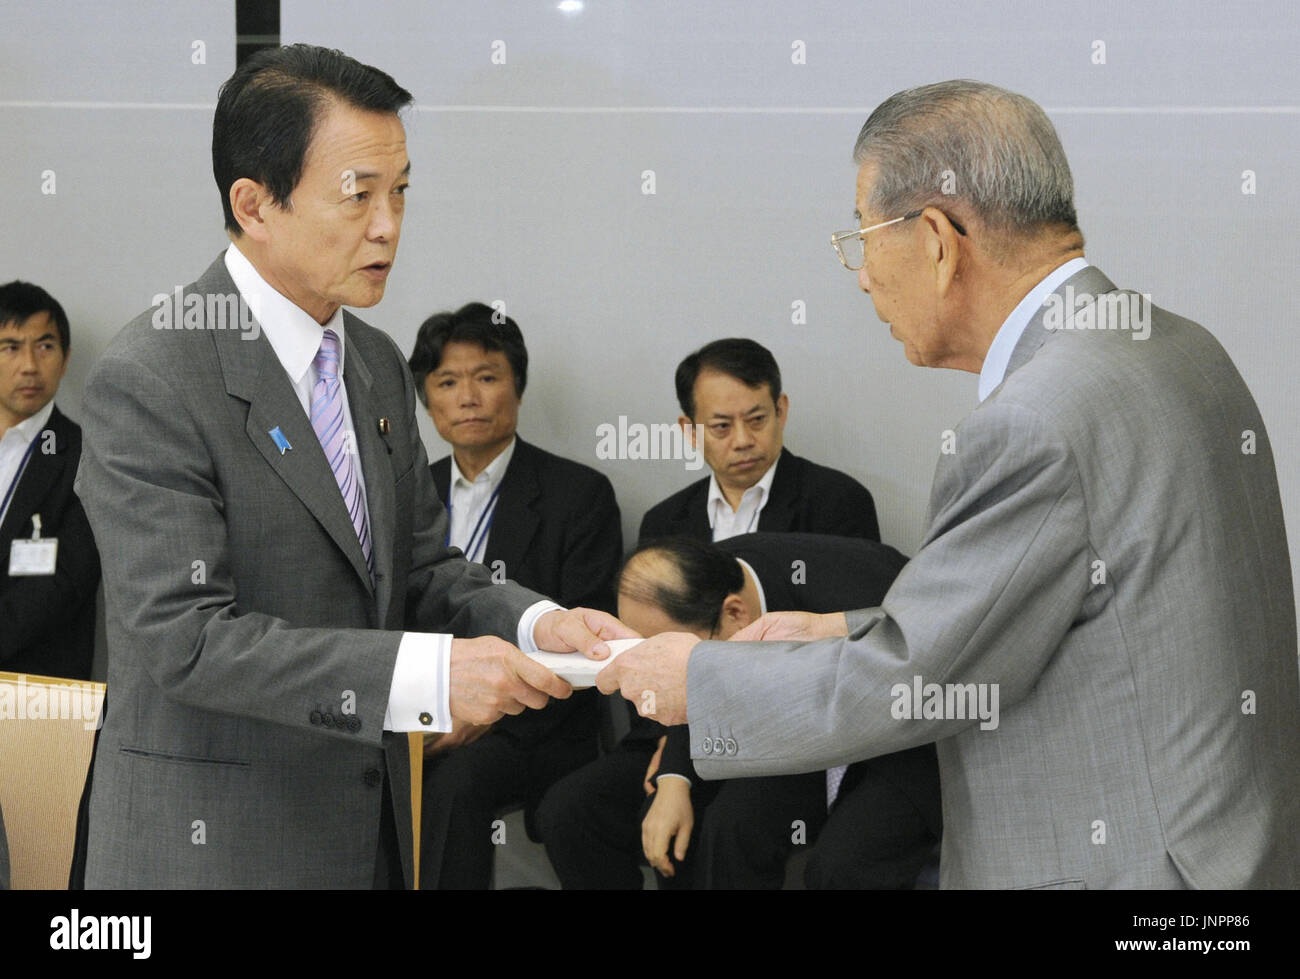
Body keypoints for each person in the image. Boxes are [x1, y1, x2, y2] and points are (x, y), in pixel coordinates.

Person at [599, 79, 1300, 889]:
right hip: (1222, 856)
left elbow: (917, 679)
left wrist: (698, 679)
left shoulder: (1033, 417)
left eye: (860, 240)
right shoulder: (1180, 347)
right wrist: (843, 631)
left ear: (935, 237)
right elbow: (1053, 613)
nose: (861, 278)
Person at [74, 44, 629, 889]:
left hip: (366, 834)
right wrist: (428, 673)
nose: (388, 225)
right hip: (215, 847)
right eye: (357, 193)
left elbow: (416, 562)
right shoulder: (154, 375)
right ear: (254, 204)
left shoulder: (369, 360)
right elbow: (183, 639)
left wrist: (534, 623)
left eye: (400, 190)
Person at [539, 532, 939, 889]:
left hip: (903, 737)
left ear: (735, 613)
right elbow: (688, 673)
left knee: (814, 856)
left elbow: (691, 670)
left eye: (661, 650)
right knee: (612, 811)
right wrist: (674, 780)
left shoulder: (865, 582)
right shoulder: (705, 573)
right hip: (768, 728)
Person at [407, 302, 623, 888]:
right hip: (421, 708)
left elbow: (584, 636)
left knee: (454, 787)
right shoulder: (409, 495)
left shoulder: (579, 494)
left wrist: (482, 710)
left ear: (517, 387)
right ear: (427, 401)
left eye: (486, 377)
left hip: (538, 720)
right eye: (447, 382)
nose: (468, 397)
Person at [638, 337, 879, 544]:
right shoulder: (662, 525)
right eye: (722, 426)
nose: (742, 441)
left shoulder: (838, 502)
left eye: (756, 419)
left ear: (780, 411)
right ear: (690, 431)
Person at [0, 282, 100, 681]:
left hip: (39, 703)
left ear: (65, 358)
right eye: (10, 347)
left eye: (44, 346)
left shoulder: (87, 456)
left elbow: (66, 586)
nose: (29, 365)